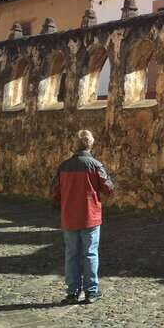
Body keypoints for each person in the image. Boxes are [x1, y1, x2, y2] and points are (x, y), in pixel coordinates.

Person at [50, 129, 114, 305]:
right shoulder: (95, 165)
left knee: (71, 254)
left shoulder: (64, 166)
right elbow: (109, 188)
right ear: (90, 144)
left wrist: (59, 205)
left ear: (75, 145)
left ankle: (72, 292)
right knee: (90, 254)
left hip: (69, 216)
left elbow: (55, 192)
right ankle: (91, 292)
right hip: (90, 216)